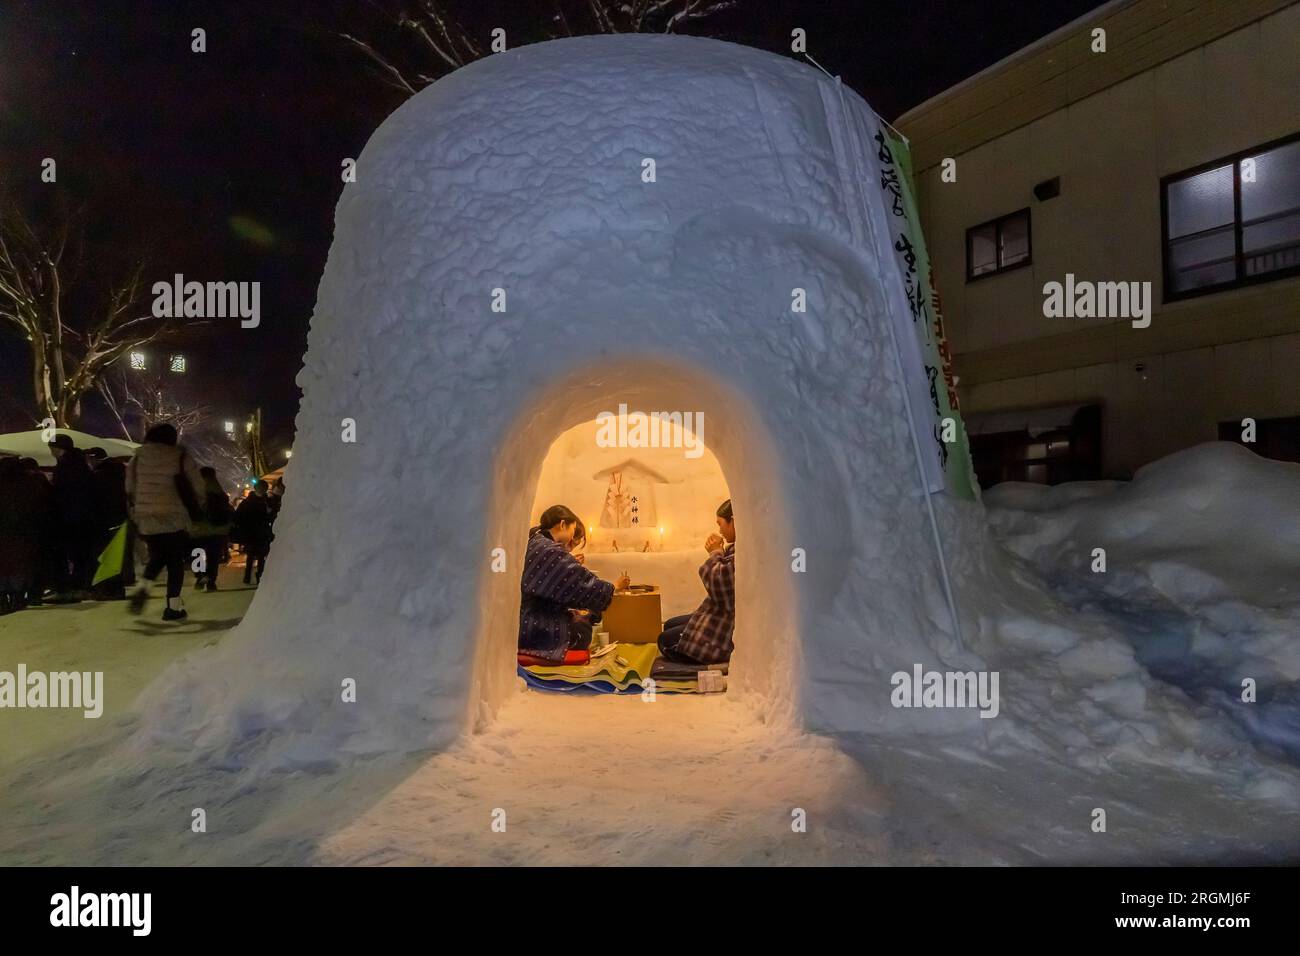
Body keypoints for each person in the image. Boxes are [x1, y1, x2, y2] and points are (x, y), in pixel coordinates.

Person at [519, 505, 629, 662]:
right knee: (581, 631)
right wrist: (613, 588)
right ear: (563, 524)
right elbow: (582, 583)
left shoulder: (535, 539)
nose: (572, 539)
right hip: (530, 623)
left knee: (579, 615)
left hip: (523, 615)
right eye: (573, 529)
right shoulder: (549, 550)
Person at [125, 423, 204, 622]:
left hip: (146, 518)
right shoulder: (180, 456)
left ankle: (143, 586)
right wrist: (196, 507)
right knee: (175, 562)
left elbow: (130, 487)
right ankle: (173, 607)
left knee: (158, 555)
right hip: (174, 517)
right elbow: (198, 486)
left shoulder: (138, 457)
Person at [656, 499, 736, 665]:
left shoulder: (744, 551)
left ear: (734, 521)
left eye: (721, 524)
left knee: (665, 640)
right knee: (670, 624)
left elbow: (720, 588)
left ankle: (712, 659)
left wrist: (715, 552)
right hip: (716, 611)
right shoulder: (735, 547)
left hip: (724, 620)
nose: (720, 530)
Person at [47, 434, 99, 601]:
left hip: (69, 517)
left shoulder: (67, 466)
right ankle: (79, 586)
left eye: (52, 448)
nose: (51, 452)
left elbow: (62, 493)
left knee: (69, 553)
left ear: (58, 448)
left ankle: (70, 589)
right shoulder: (81, 464)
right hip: (83, 516)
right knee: (81, 554)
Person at [0, 457, 52, 613]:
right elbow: (39, 508)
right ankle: (18, 596)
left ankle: (2, 599)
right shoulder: (29, 486)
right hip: (24, 533)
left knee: (3, 566)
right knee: (20, 565)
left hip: (4, 533)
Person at [90, 451, 131, 598]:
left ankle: (109, 590)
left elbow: (98, 499)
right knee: (116, 556)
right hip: (119, 518)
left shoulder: (100, 475)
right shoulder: (119, 473)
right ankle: (117, 589)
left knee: (106, 556)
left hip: (105, 520)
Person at [190, 467, 234, 592]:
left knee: (197, 553)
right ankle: (211, 581)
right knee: (213, 557)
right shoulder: (219, 490)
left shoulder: (197, 490)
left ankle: (200, 577)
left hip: (199, 529)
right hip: (217, 530)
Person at [232, 479, 275, 585]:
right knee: (256, 556)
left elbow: (238, 517)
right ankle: (256, 576)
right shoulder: (264, 502)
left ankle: (253, 576)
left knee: (256, 556)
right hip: (255, 533)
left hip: (256, 533)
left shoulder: (249, 502)